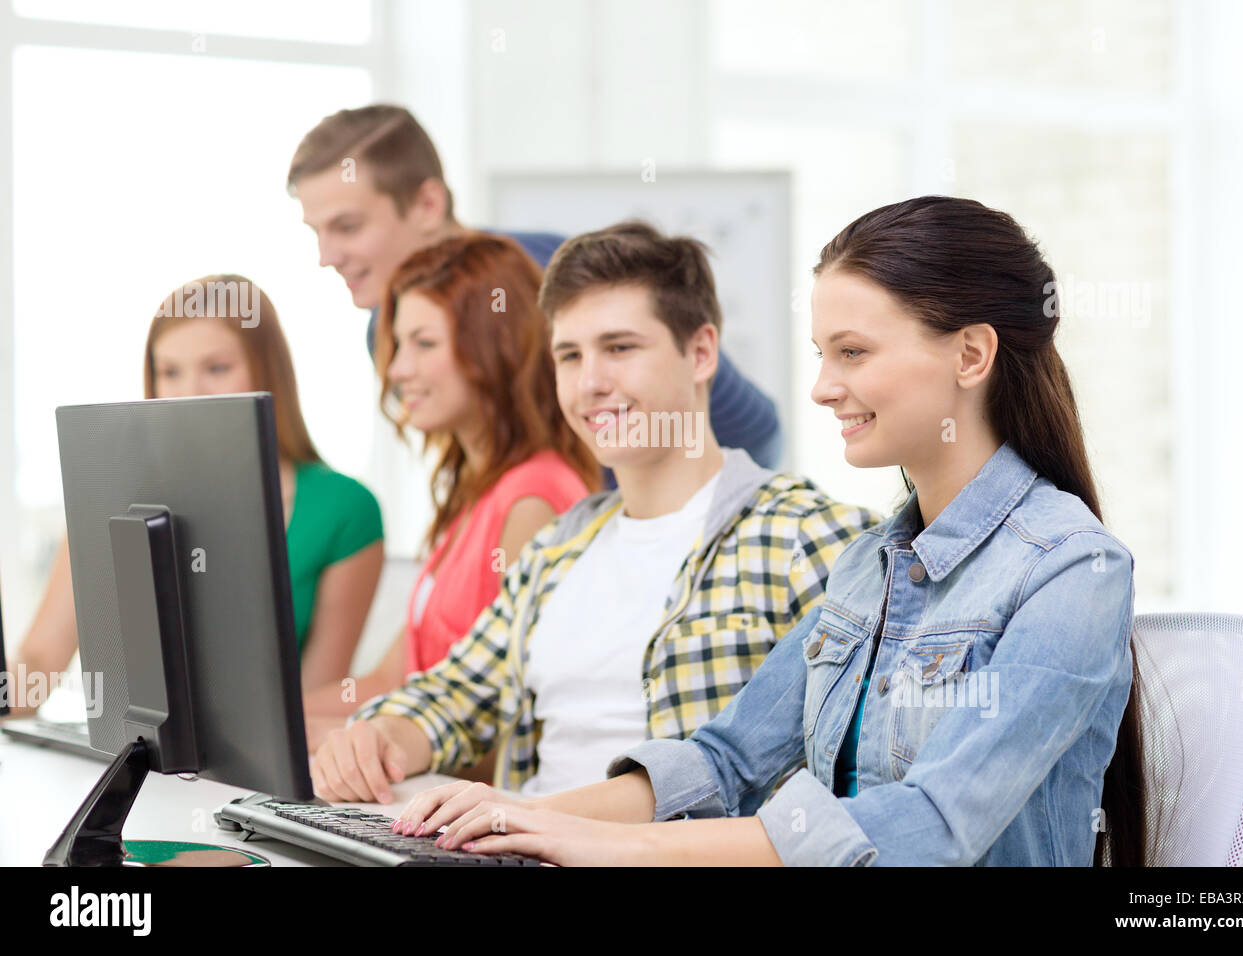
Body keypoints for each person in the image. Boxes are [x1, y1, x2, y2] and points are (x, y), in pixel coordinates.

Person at [388, 197, 1148, 868]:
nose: (821, 387)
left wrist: (609, 848)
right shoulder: (870, 566)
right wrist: (519, 816)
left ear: (971, 354)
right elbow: (722, 762)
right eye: (823, 355)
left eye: (852, 352)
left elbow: (931, 824)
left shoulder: (1072, 569)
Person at [309, 221, 878, 803]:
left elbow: (862, 787)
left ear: (701, 352)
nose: (590, 383)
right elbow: (454, 695)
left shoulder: (808, 536)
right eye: (569, 355)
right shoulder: (558, 548)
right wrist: (379, 738)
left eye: (620, 348)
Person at [285, 103, 784, 470]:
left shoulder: (548, 276)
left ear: (427, 204)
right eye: (317, 233)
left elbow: (751, 425)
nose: (327, 257)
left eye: (347, 227)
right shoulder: (384, 333)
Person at [7, 275, 385, 716]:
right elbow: (39, 662)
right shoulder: (110, 500)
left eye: (217, 368)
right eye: (170, 372)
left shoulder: (343, 509)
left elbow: (313, 704)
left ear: (267, 370)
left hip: (252, 779)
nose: (188, 393)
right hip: (130, 768)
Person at [302, 234, 601, 737]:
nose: (398, 369)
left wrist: (313, 739)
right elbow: (386, 682)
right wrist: (263, 723)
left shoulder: (533, 501)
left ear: (495, 344)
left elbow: (494, 726)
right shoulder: (479, 494)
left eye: (424, 343)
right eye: (400, 344)